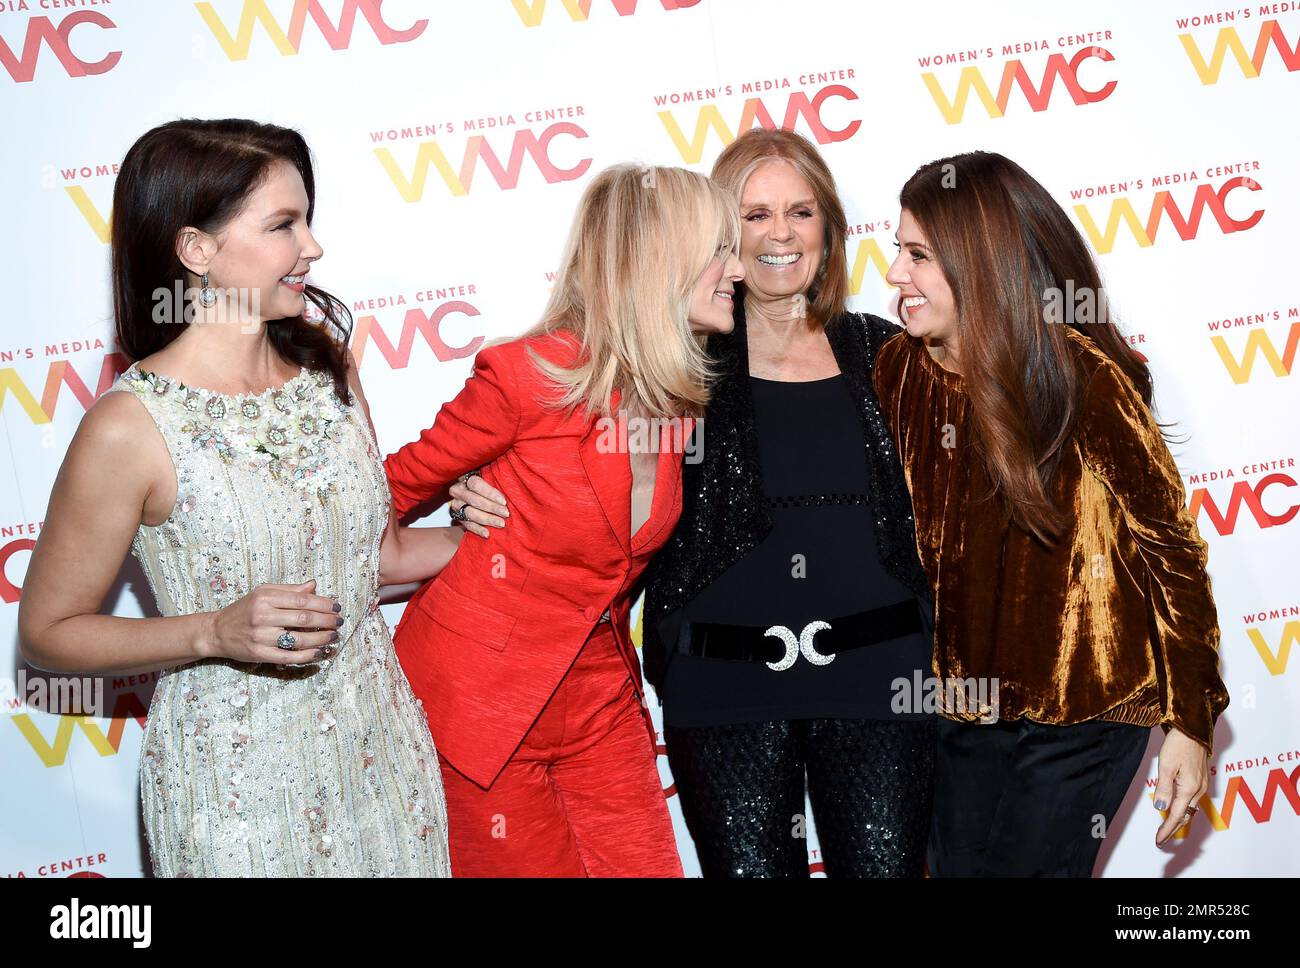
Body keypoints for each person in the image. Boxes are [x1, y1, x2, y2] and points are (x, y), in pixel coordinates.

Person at [17, 119, 456, 877]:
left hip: (383, 760)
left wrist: (497, 528)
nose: (311, 248)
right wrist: (212, 631)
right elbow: (49, 633)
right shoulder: (130, 427)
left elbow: (379, 559)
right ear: (197, 250)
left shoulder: (331, 373)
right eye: (284, 224)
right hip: (233, 795)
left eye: (307, 220)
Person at [875, 150, 1231, 877]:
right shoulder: (897, 371)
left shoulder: (1074, 374)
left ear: (977, 261)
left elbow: (1172, 549)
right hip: (965, 704)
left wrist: (1190, 721)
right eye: (897, 251)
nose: (895, 275)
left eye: (917, 254)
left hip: (1086, 706)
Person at [384, 163, 744, 876]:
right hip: (483, 713)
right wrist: (459, 519)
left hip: (599, 705)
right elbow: (370, 498)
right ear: (659, 261)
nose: (737, 269)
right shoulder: (525, 376)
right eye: (719, 250)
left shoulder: (677, 400)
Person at [641, 129, 937, 878]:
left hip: (882, 681)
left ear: (827, 229)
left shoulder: (886, 351)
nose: (780, 233)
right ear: (720, 233)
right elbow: (584, 473)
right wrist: (481, 496)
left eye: (800, 212)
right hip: (725, 689)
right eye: (755, 214)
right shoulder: (676, 363)